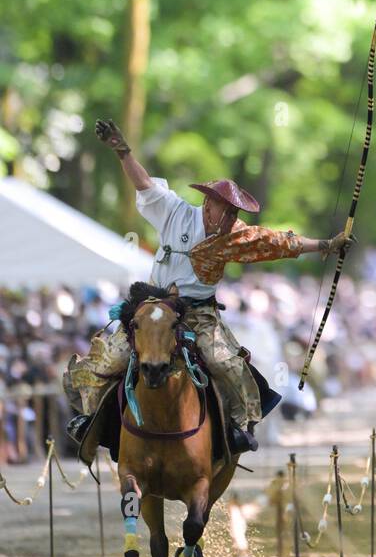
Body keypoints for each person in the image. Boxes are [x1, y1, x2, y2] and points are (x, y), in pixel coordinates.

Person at [64, 118, 349, 454]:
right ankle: (88, 420)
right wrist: (123, 152)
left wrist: (325, 245)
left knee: (227, 364)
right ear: (208, 204)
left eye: (233, 214)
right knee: (110, 358)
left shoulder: (235, 236)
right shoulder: (174, 211)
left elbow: (277, 241)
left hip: (198, 315)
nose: (229, 219)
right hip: (153, 308)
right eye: (225, 212)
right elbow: (143, 184)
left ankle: (237, 426)